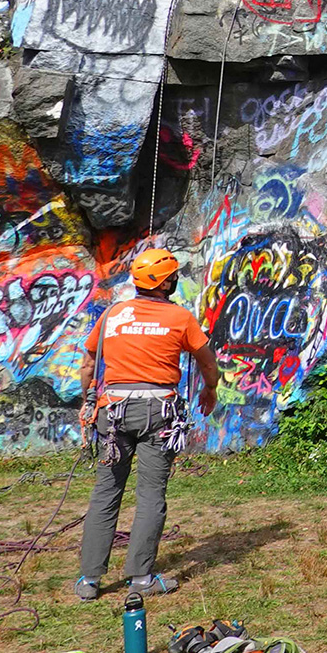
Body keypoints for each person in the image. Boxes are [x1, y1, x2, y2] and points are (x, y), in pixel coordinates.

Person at [75, 249, 219, 600]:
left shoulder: (113, 314)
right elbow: (206, 359)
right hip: (158, 412)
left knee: (106, 492)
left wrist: (88, 399)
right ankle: (140, 577)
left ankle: (89, 580)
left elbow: (89, 360)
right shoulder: (179, 318)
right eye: (173, 276)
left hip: (114, 411)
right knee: (151, 495)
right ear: (166, 282)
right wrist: (210, 389)